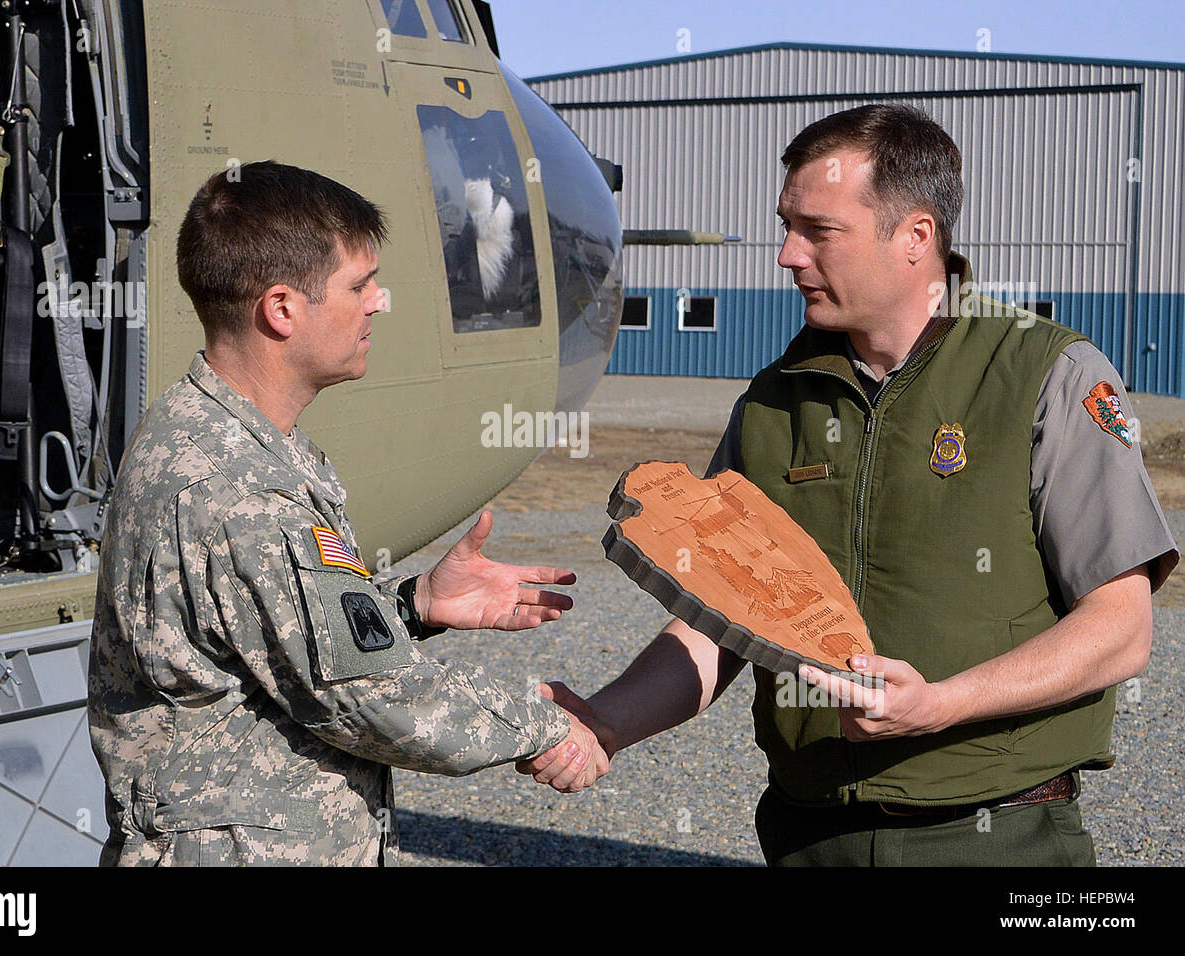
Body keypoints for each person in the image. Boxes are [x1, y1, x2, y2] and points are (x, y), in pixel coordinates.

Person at [517, 105, 1178, 866]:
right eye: (785, 225)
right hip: (809, 837)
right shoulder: (774, 402)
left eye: (818, 230)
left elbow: (1120, 630)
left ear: (916, 238)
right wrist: (606, 722)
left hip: (996, 839)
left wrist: (937, 707)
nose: (786, 256)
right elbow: (719, 621)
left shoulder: (1046, 376)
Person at [87, 161, 608, 866]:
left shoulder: (229, 440)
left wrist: (414, 606)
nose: (379, 303)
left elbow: (276, 641)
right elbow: (367, 693)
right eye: (358, 286)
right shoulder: (237, 486)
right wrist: (546, 725)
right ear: (281, 309)